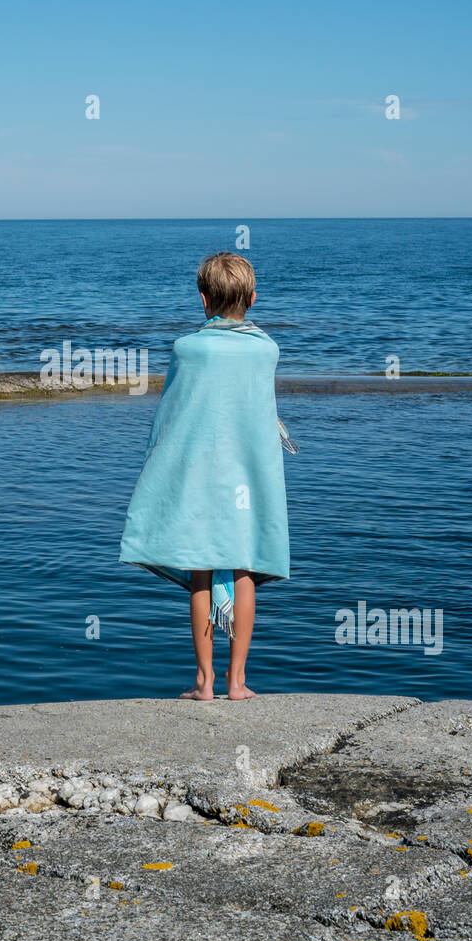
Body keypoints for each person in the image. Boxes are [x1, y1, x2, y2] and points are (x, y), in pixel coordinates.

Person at [119, 252, 290, 700]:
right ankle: (238, 681)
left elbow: (174, 416)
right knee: (245, 567)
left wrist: (159, 465)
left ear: (203, 299)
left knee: (201, 569)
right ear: (253, 299)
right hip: (250, 475)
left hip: (198, 470)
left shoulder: (186, 348)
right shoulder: (268, 349)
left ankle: (204, 681)